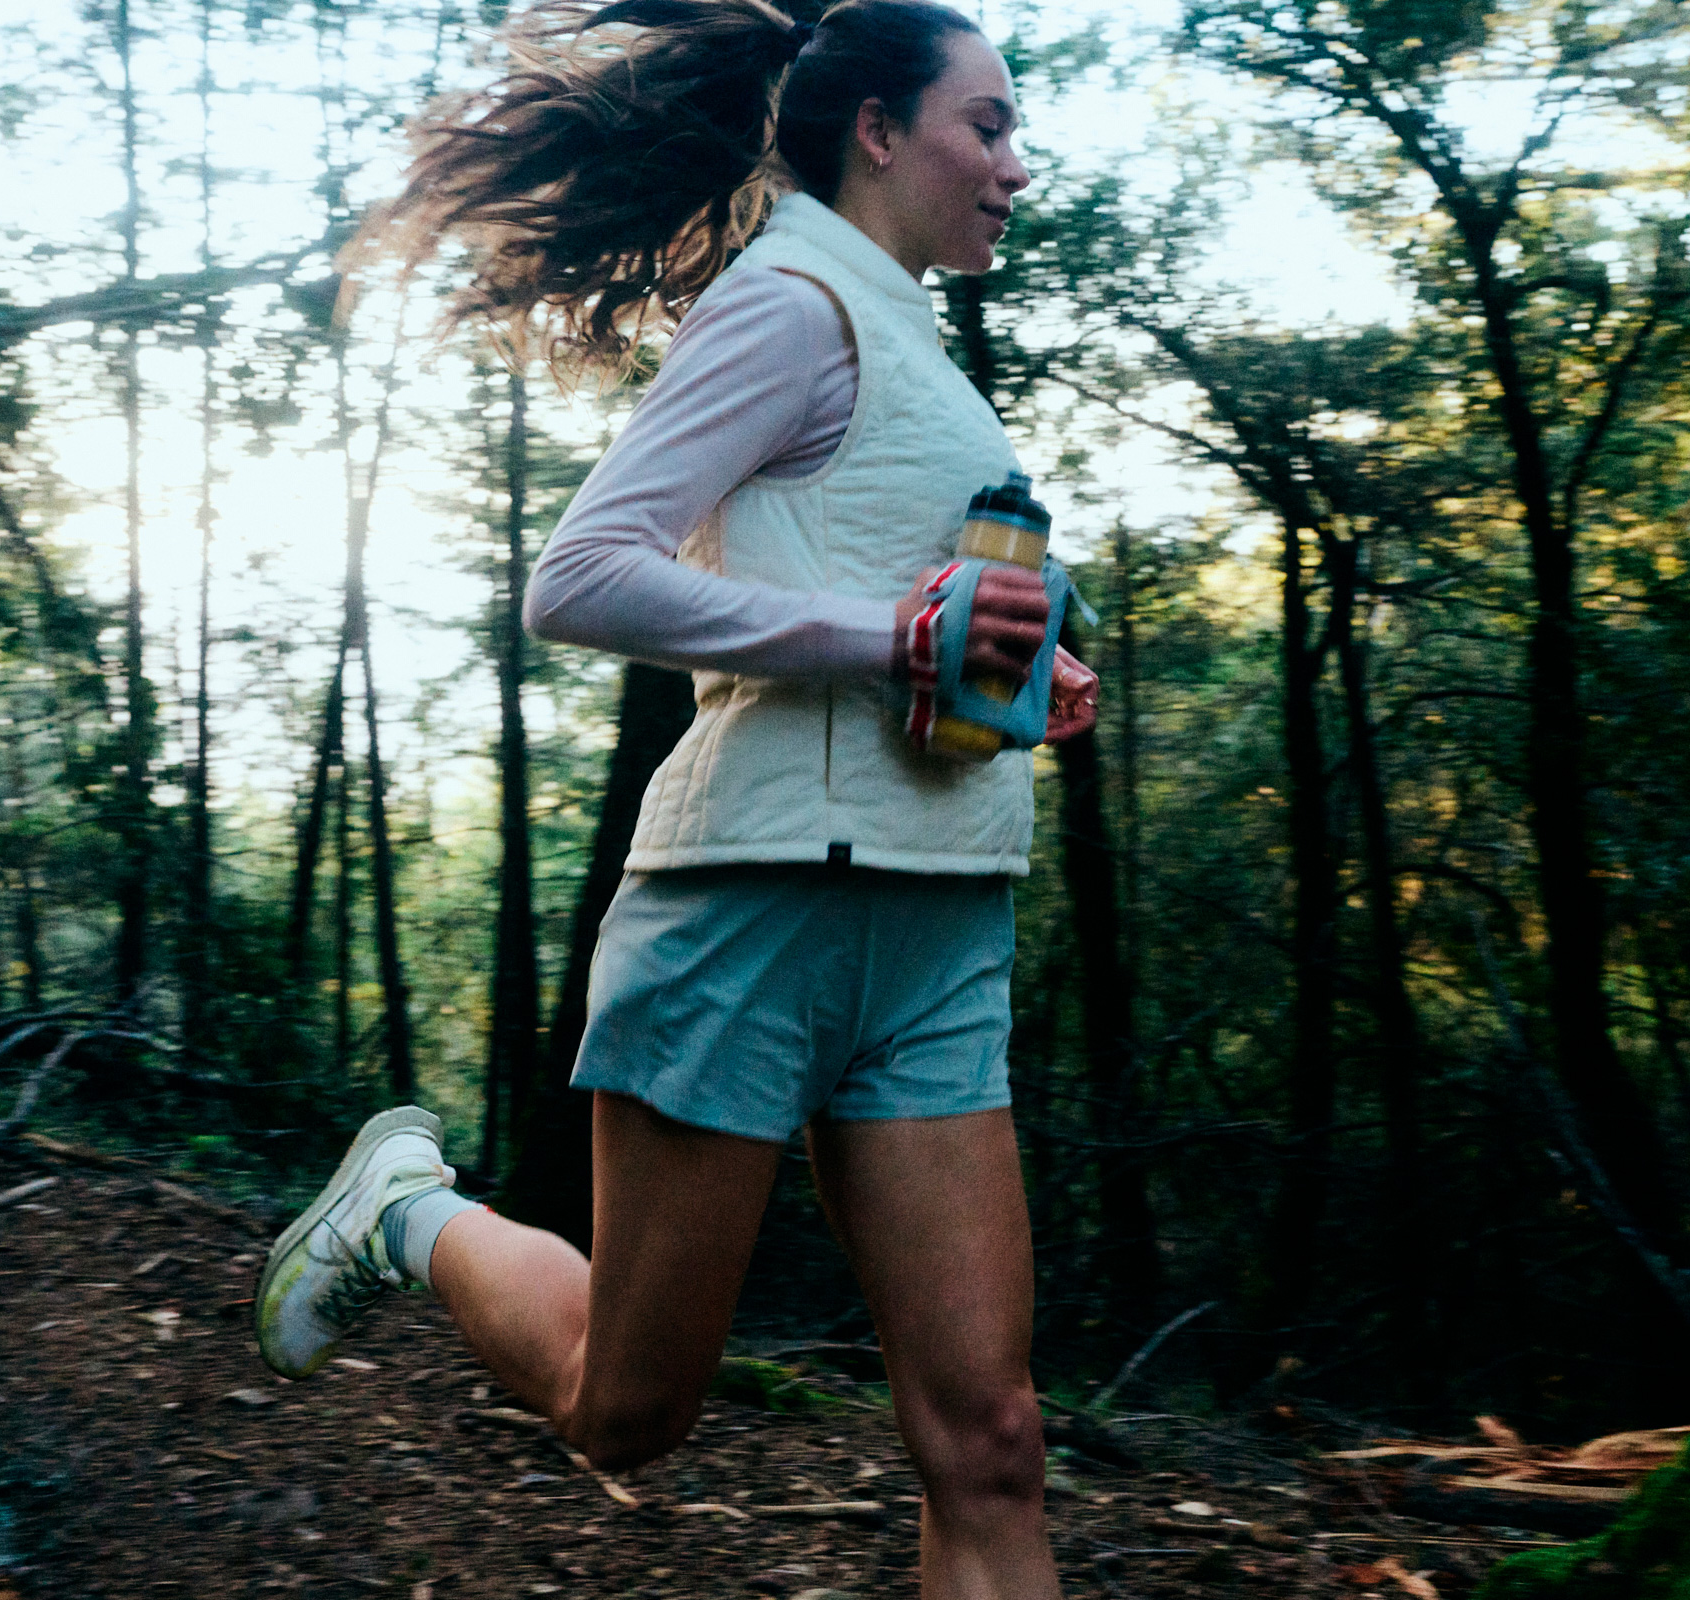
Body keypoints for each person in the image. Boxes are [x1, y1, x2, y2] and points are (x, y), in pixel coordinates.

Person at [253, 5, 1094, 1595]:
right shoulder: (789, 304)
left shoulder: (918, 347)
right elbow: (582, 578)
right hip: (752, 904)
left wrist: (1031, 666)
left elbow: (897, 587)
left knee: (991, 1442)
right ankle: (407, 1210)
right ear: (878, 132)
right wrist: (889, 638)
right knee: (623, 1412)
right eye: (988, 125)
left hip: (937, 922)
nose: (1013, 164)